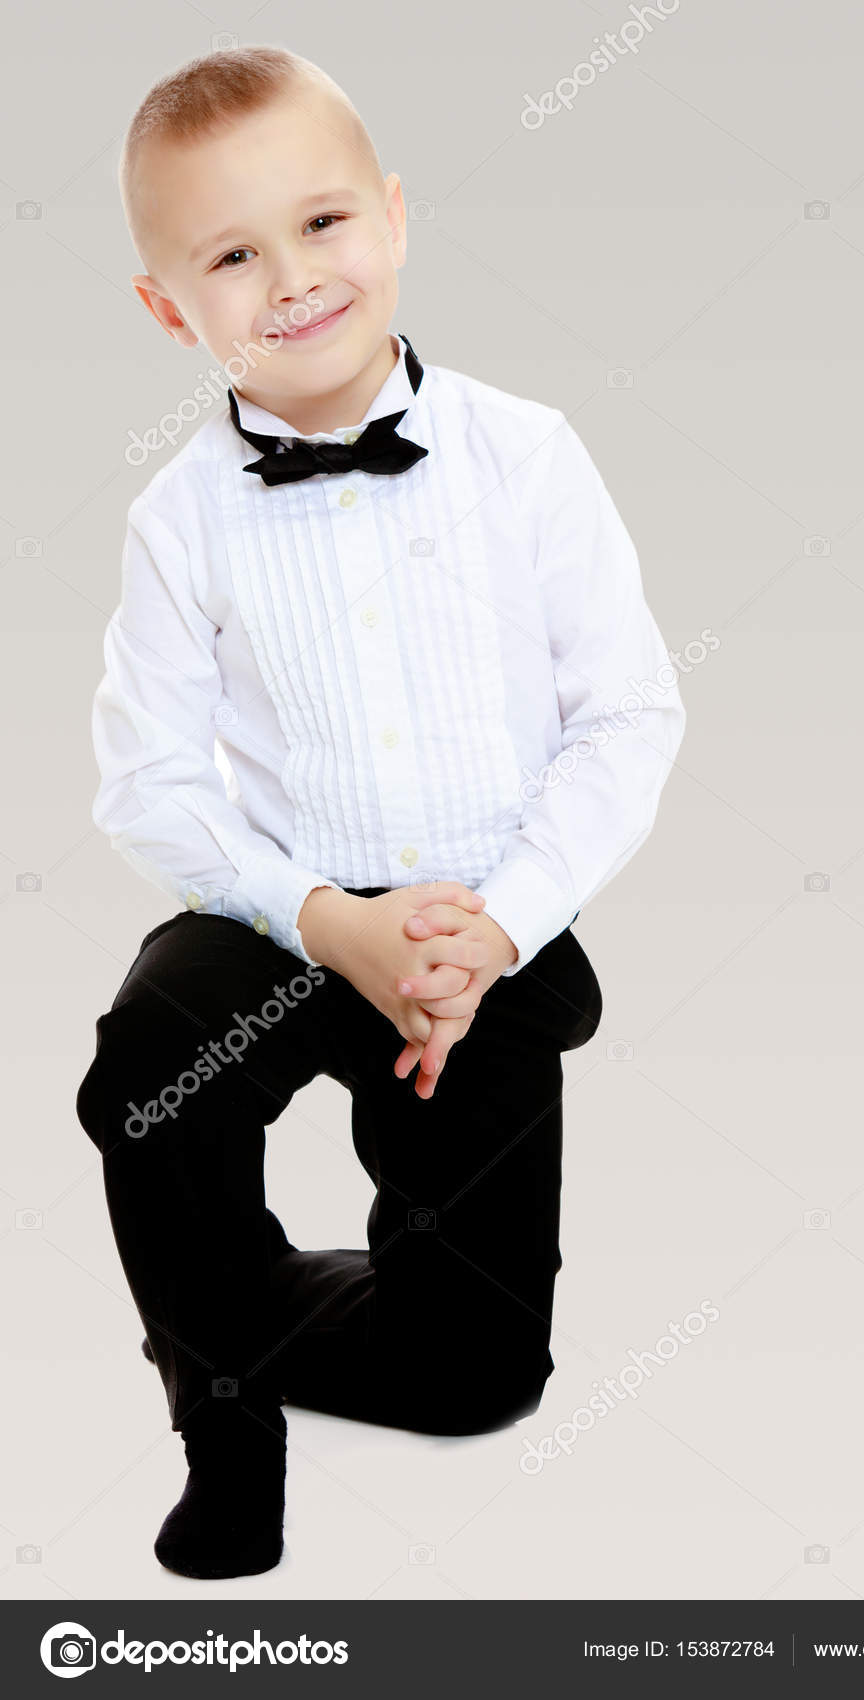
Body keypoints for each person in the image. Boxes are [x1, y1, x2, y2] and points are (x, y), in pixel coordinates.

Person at [75, 43, 687, 1581]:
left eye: (323, 224)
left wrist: (496, 924)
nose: (290, 279)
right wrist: (325, 920)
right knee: (150, 1064)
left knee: (477, 1377)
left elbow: (628, 716)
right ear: (169, 306)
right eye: (231, 255)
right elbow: (148, 780)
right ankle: (222, 1419)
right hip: (291, 921)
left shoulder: (527, 456)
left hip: (483, 931)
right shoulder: (178, 521)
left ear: (397, 219)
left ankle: (229, 1314)